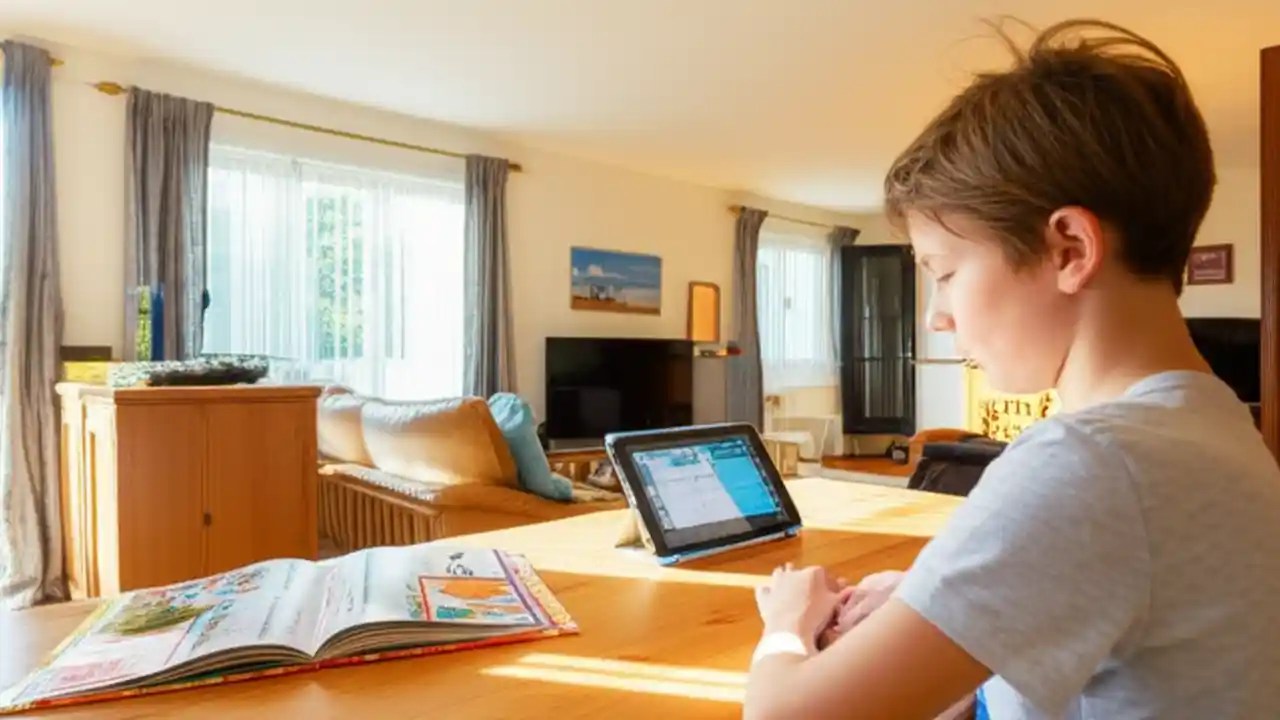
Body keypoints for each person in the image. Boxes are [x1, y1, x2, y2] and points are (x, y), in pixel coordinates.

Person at [744, 17, 1280, 720]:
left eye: (945, 272)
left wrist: (786, 621)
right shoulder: (1216, 425)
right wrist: (932, 601)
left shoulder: (1089, 460)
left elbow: (788, 716)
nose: (938, 314)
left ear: (1068, 249)